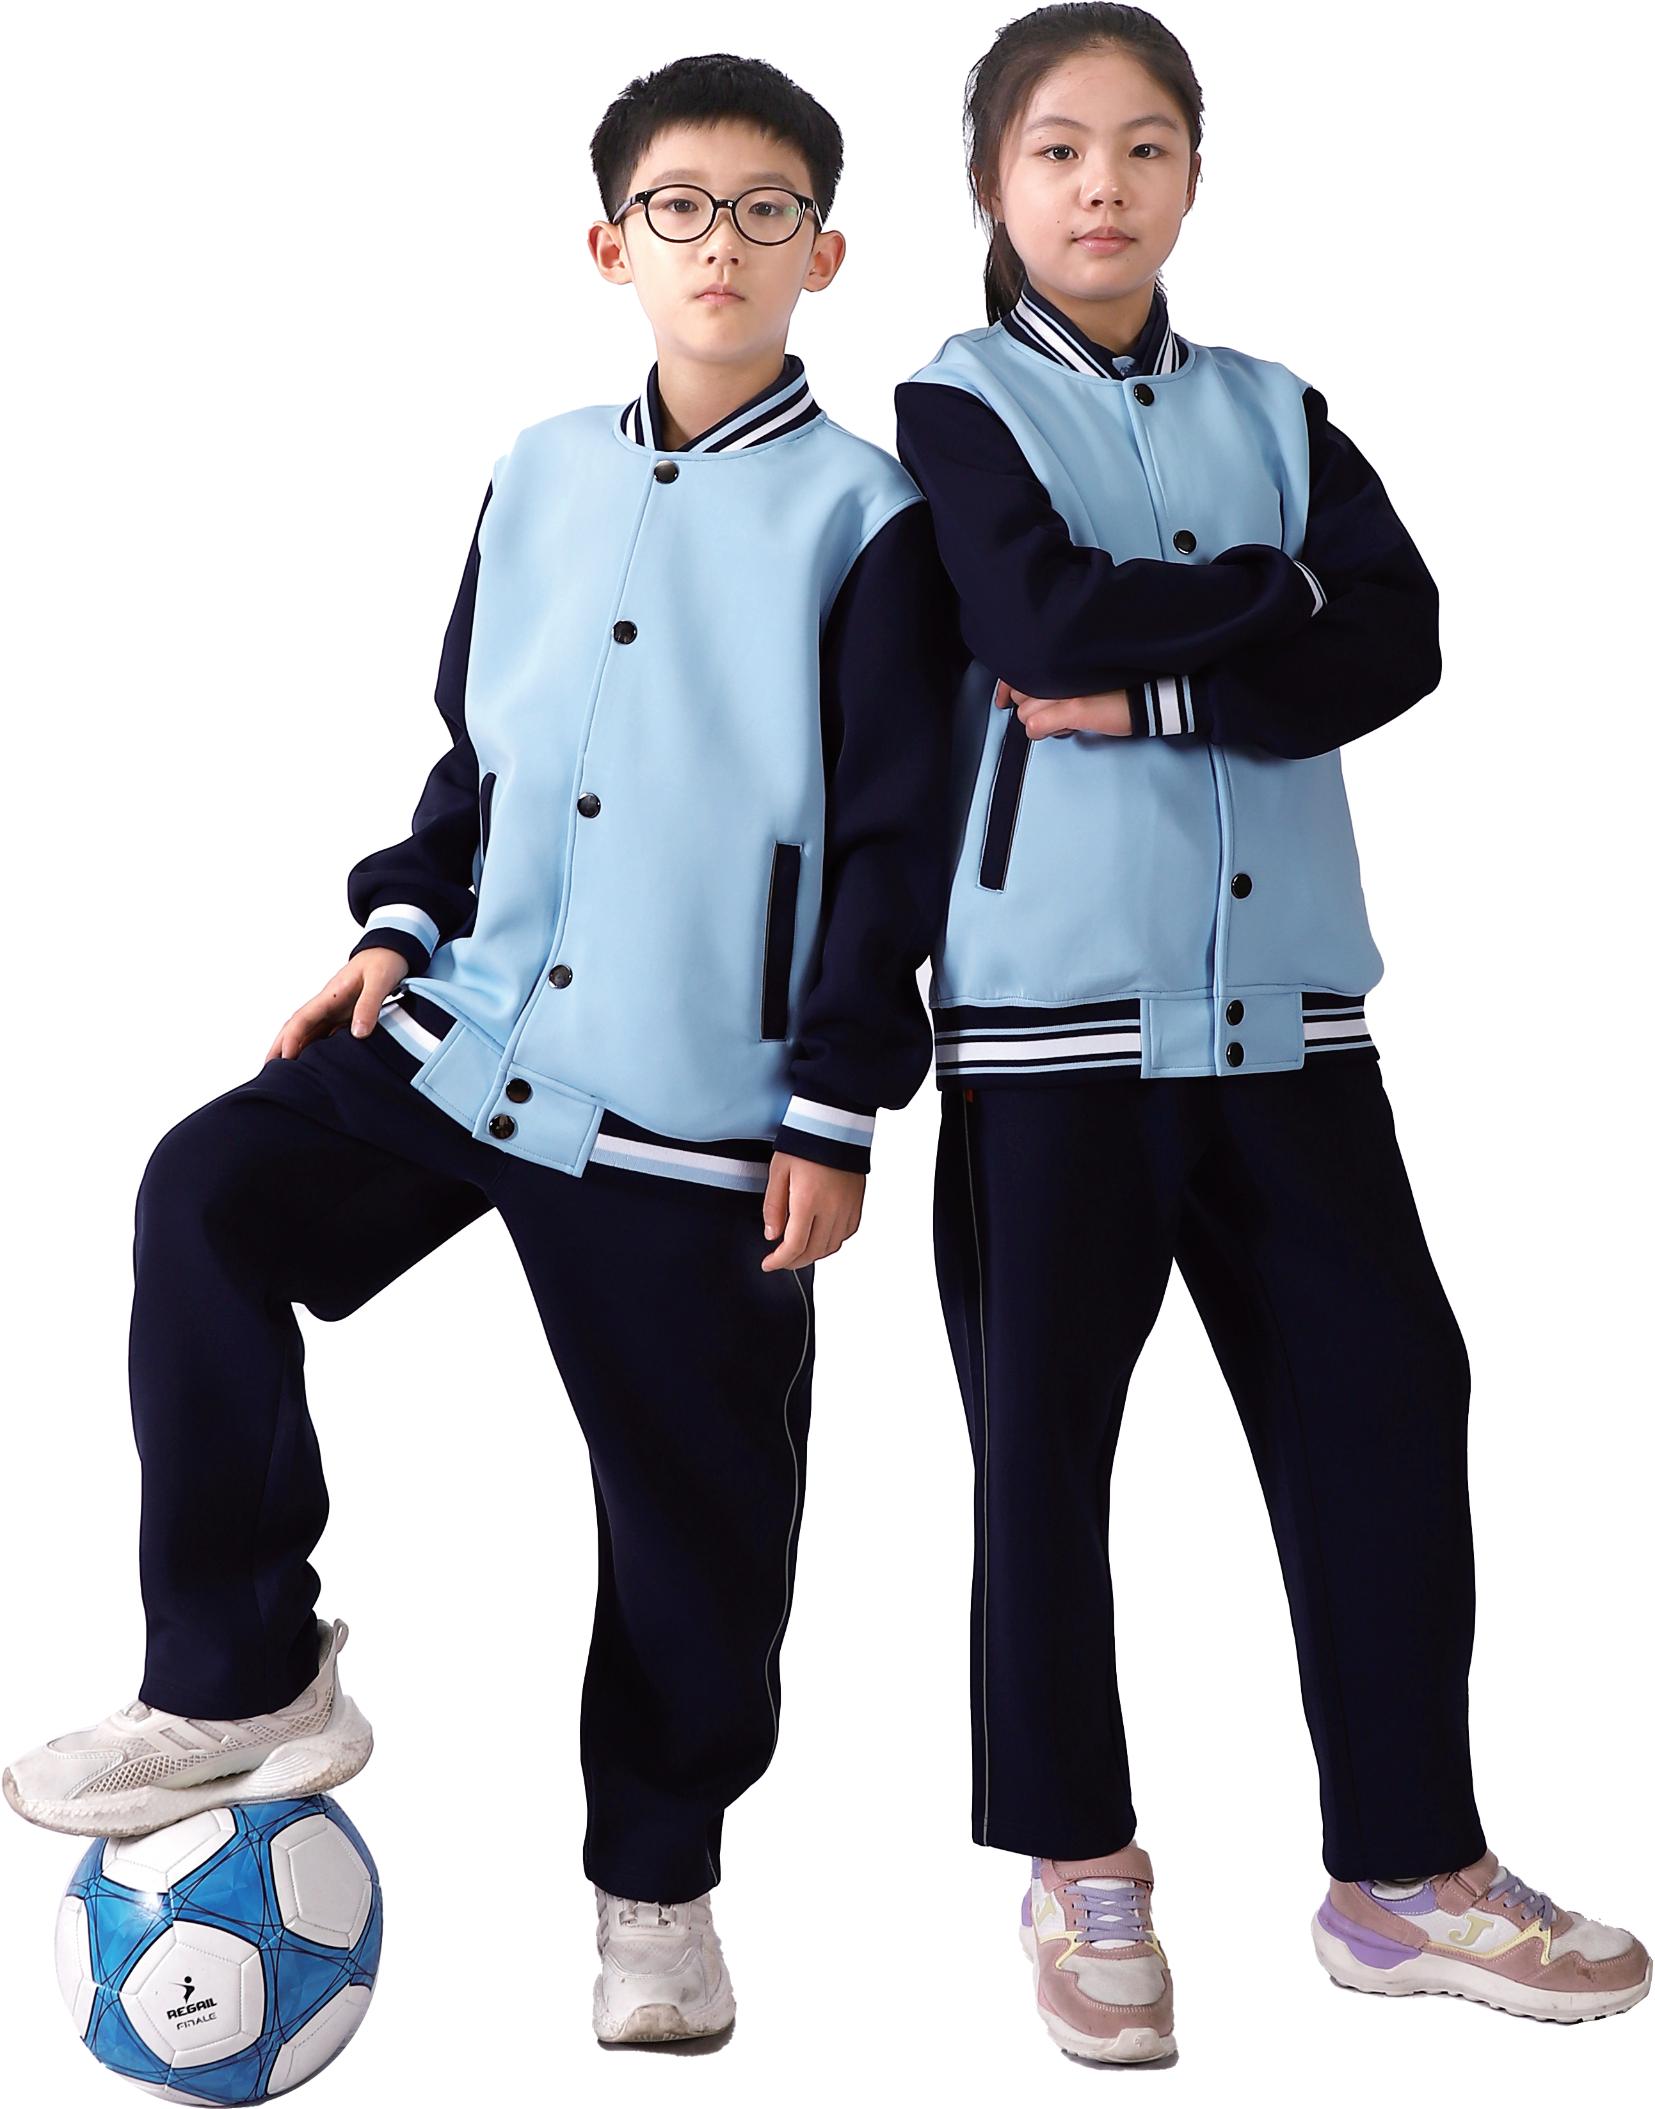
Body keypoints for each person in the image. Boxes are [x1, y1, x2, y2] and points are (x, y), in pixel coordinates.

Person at [4, 50, 957, 2048]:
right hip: (469, 1032)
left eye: (765, 211)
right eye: (679, 208)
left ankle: (658, 1882)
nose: (719, 243)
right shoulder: (535, 468)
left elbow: (893, 842)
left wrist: (835, 1103)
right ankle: (242, 1670)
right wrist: (396, 926)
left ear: (824, 253)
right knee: (209, 1191)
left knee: (697, 1521)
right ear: (612, 246)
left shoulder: (874, 522)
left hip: (693, 1109)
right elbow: (482, 751)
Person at [894, 1, 1649, 2063]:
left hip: (1295, 1018)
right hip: (1054, 1026)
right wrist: (1274, 599)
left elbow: (1402, 634)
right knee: (1045, 1453)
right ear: (993, 183)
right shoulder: (955, 403)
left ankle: (1407, 1871)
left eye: (1145, 148)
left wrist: (1162, 680)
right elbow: (1030, 617)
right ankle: (1079, 1859)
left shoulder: (1276, 401)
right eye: (1059, 150)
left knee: (1391, 1391)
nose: (1104, 188)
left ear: (1195, 177)